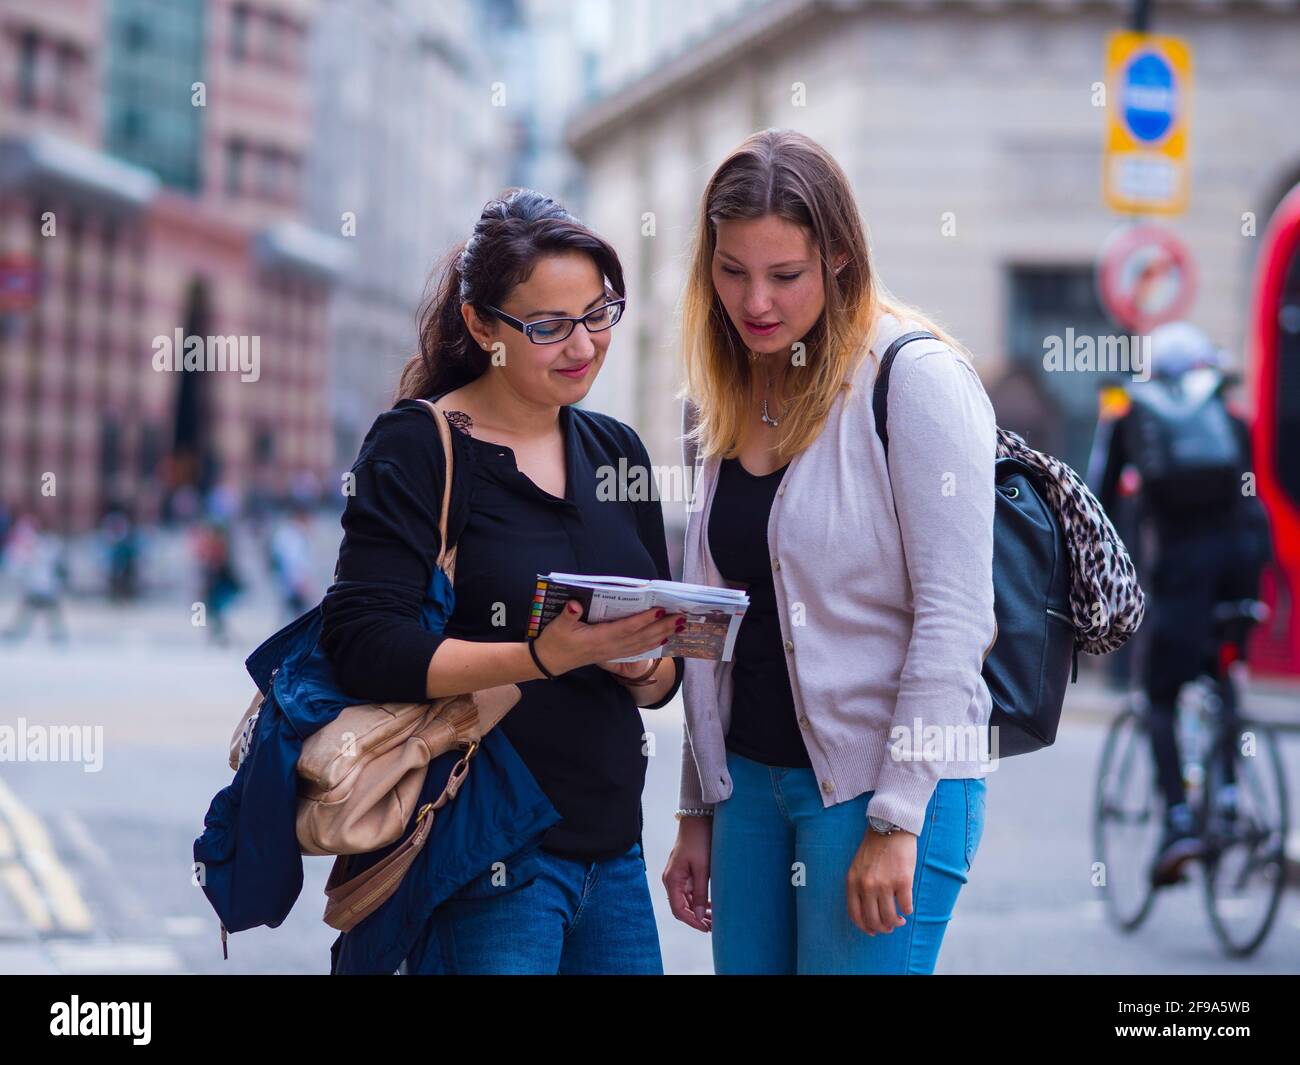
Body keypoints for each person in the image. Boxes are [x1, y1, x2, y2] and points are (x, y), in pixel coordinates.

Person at [319, 188, 686, 975]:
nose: (583, 345)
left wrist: (644, 664)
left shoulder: (616, 451)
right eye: (548, 327)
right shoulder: (419, 445)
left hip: (613, 855)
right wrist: (540, 655)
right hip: (487, 854)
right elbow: (362, 641)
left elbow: (662, 676)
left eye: (598, 314)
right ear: (483, 325)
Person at [662, 129, 994, 975]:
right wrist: (697, 802)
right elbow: (711, 625)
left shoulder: (915, 380)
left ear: (840, 258)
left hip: (880, 791)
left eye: (784, 275)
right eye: (732, 271)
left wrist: (897, 818)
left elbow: (957, 618)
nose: (755, 302)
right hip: (748, 792)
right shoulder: (722, 395)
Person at [1095, 321, 1272, 888]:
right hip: (1243, 562)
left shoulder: (1134, 414)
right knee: (1222, 671)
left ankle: (1178, 823)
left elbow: (1099, 504)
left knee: (1161, 696)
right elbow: (1253, 492)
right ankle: (1224, 798)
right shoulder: (1229, 415)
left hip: (1182, 572)